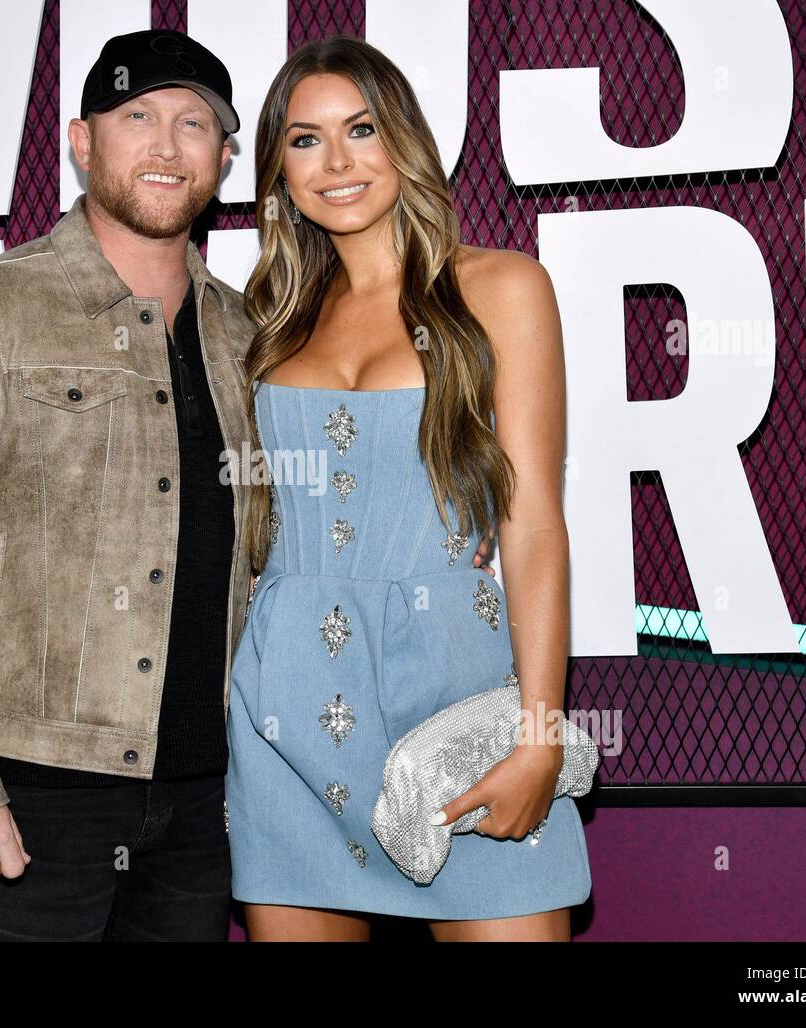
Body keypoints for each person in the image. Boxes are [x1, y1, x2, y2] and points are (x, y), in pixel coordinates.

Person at [0, 29, 257, 941]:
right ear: (83, 142)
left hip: (206, 805)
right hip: (34, 792)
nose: (166, 145)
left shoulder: (247, 334)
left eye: (194, 124)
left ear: (224, 159)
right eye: (138, 117)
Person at [224, 35, 592, 942]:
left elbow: (534, 526)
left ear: (406, 142)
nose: (337, 162)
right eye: (305, 140)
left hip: (453, 705)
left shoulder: (500, 288)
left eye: (361, 129)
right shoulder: (265, 320)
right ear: (275, 170)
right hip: (284, 720)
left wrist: (540, 732)